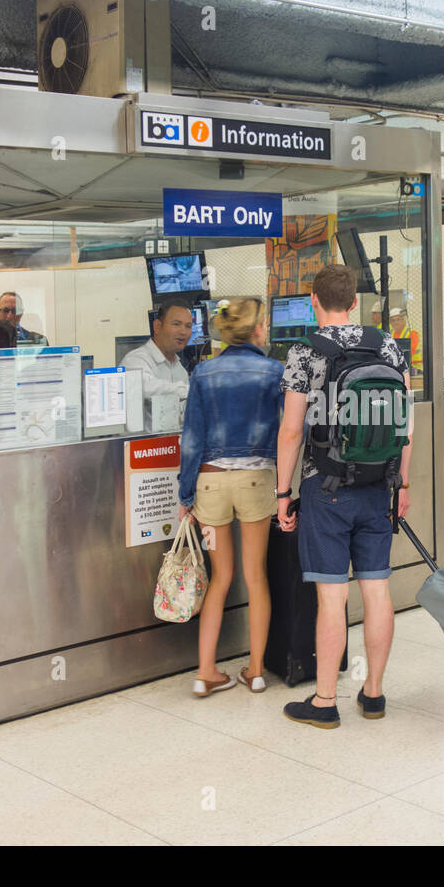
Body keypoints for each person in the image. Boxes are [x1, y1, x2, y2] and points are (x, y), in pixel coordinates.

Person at [276, 264, 412, 729]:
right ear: (355, 301)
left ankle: (325, 700)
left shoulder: (303, 353)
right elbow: (404, 427)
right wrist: (403, 485)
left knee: (331, 597)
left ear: (314, 301)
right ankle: (373, 693)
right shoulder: (389, 346)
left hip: (325, 486)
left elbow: (292, 430)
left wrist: (282, 493)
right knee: (376, 588)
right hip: (379, 485)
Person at [177, 298, 284, 697]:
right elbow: (288, 432)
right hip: (256, 480)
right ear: (257, 329)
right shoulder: (276, 371)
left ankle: (205, 671)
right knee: (255, 576)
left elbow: (191, 439)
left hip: (210, 484)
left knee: (219, 577)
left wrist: (186, 492)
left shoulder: (203, 372)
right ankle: (255, 670)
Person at [121, 299, 194, 423]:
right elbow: (146, 387)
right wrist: (191, 391)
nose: (183, 332)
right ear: (157, 326)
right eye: (176, 324)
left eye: (188, 326)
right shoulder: (136, 360)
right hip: (142, 442)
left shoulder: (180, 370)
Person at [387, 305, 422, 372]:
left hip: (414, 368)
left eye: (398, 319)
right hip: (397, 367)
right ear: (390, 323)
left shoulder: (412, 334)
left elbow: (409, 353)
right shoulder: (389, 334)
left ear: (404, 320)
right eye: (393, 320)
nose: (396, 323)